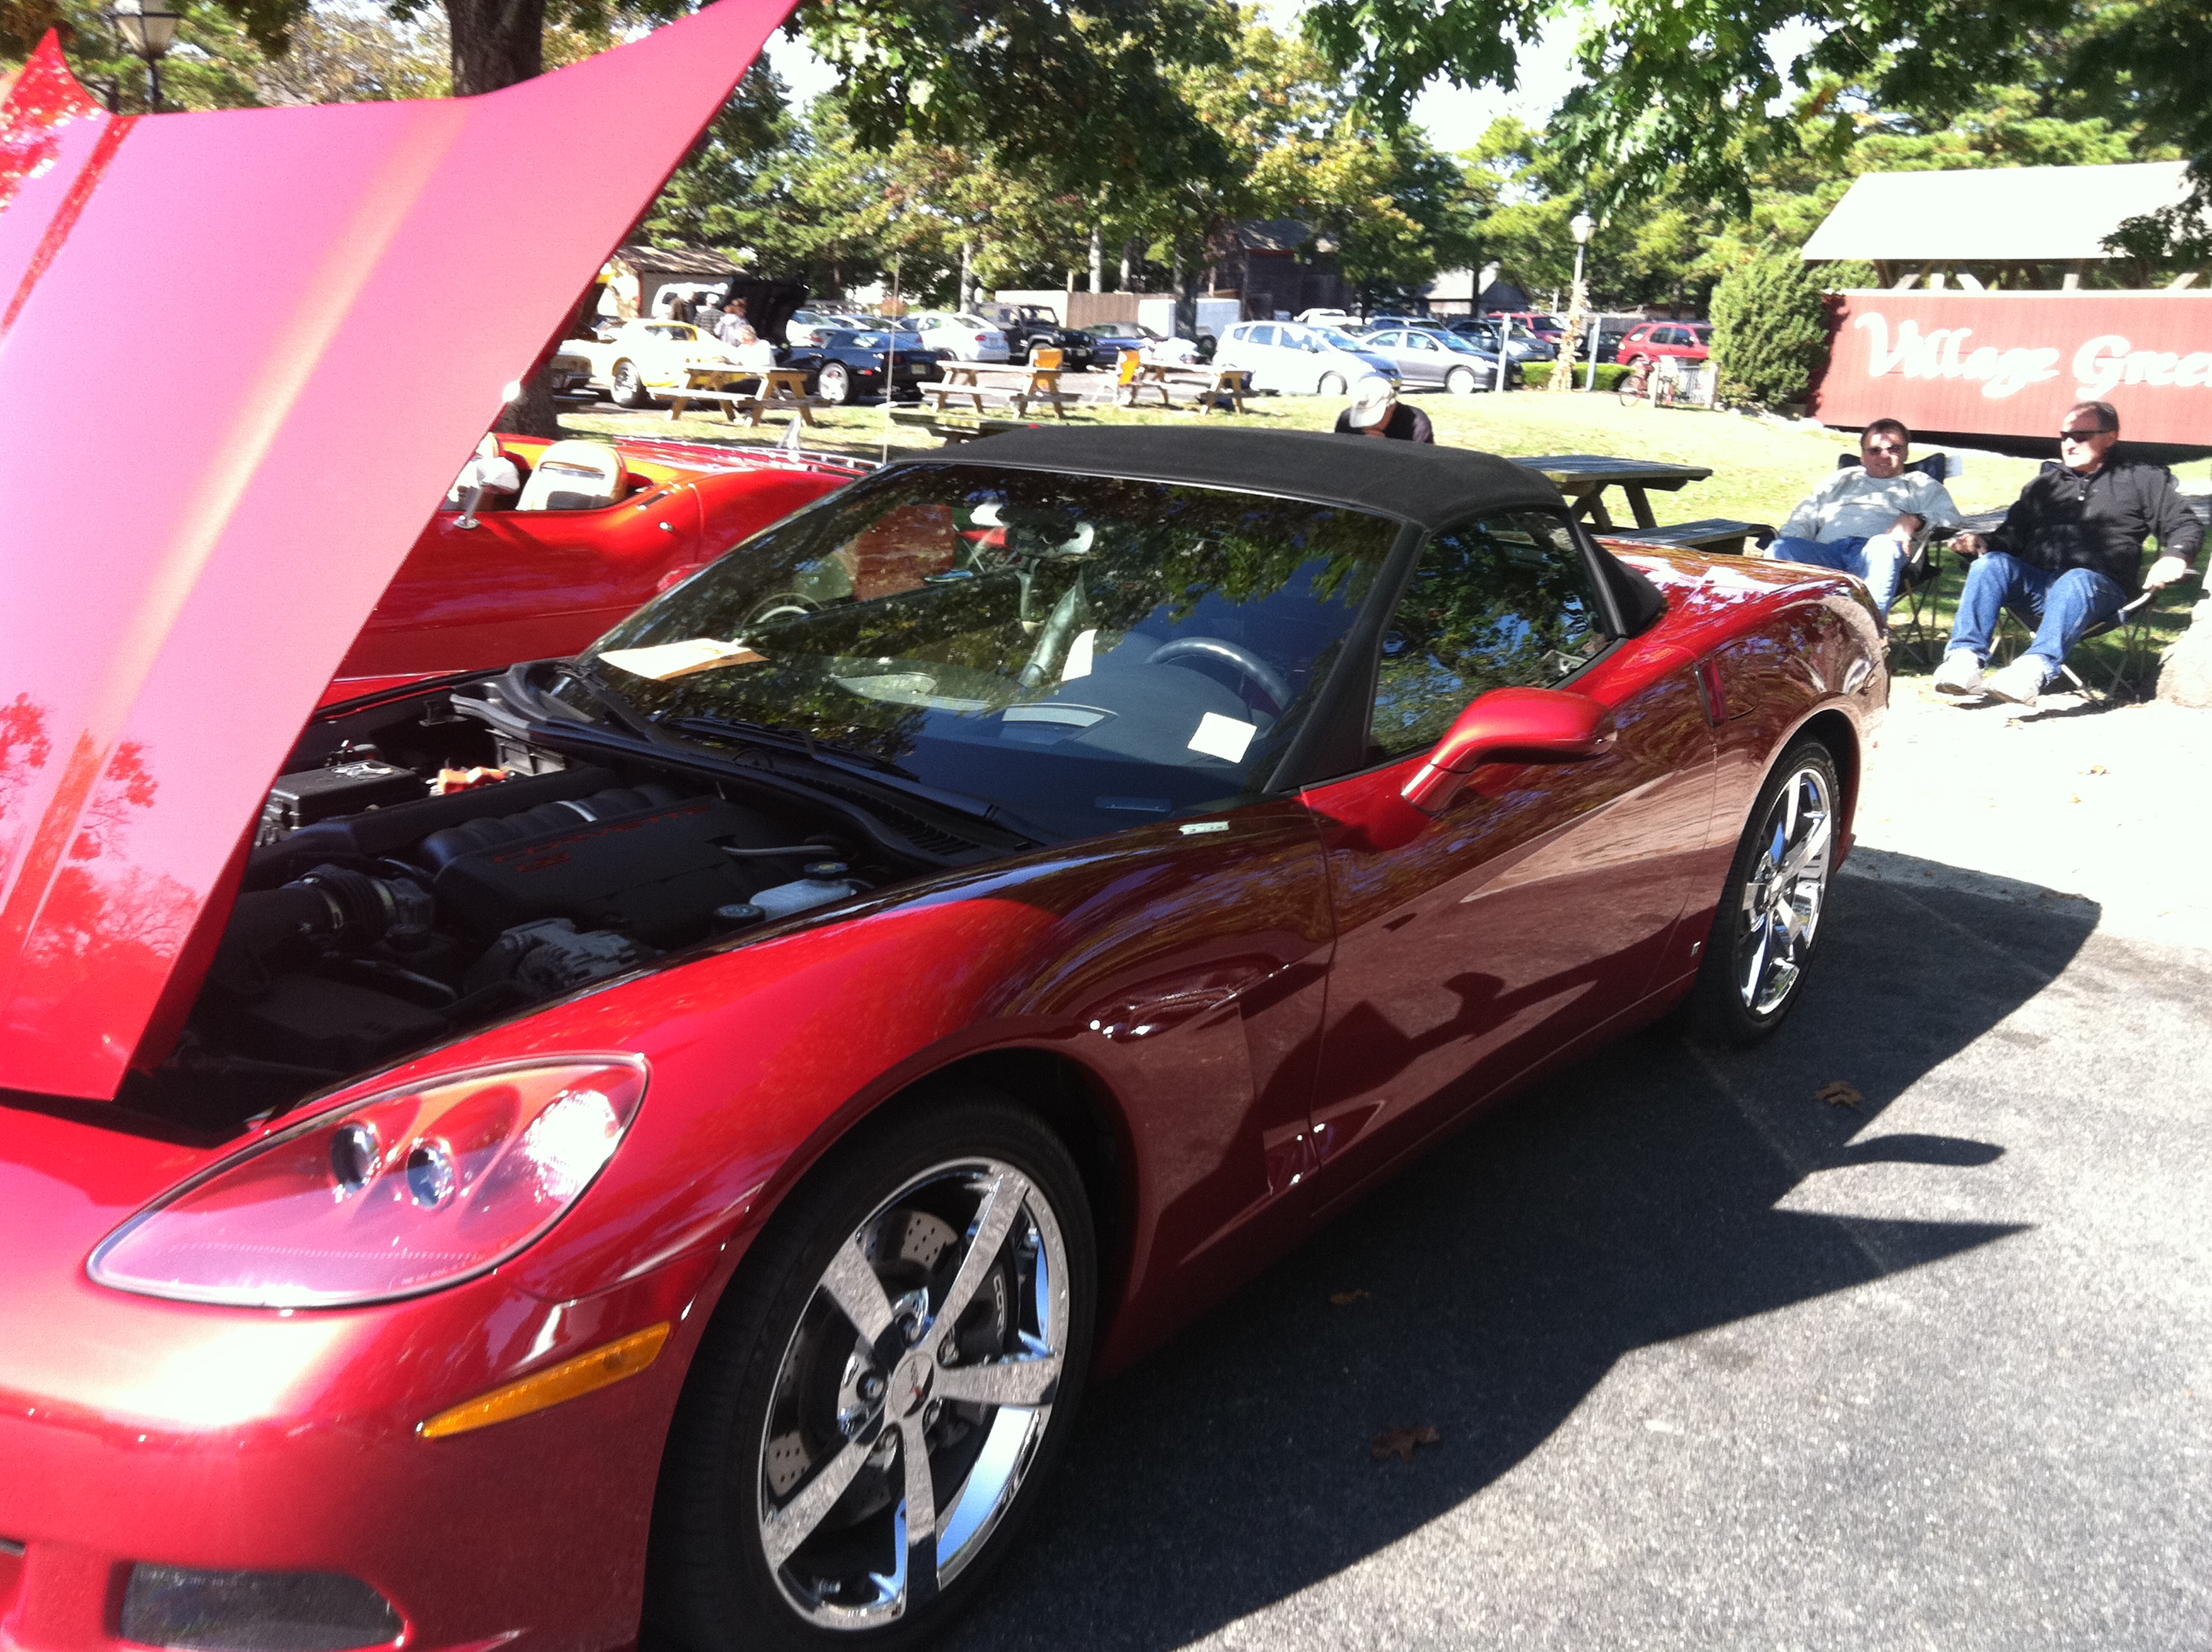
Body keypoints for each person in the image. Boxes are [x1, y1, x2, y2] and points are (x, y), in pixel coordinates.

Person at [1935, 399, 2203, 708]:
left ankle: (2033, 669)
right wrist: (1981, 542)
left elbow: (2185, 525)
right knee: (1990, 565)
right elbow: (2010, 538)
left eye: (2081, 436)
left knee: (2076, 579)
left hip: (2104, 593)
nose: (2070, 444)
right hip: (2040, 589)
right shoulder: (2043, 486)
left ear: (2111, 437)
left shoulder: (2141, 479)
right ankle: (1964, 661)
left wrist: (2176, 556)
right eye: (2064, 437)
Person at [1769, 417, 1961, 624]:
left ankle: (1868, 638)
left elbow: (1950, 517)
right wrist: (1790, 541)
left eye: (1894, 448)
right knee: (1780, 547)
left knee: (1882, 546)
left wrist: (1915, 520)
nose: (1884, 456)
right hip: (1827, 555)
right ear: (1863, 456)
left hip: (1880, 554)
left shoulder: (1920, 483)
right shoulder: (1842, 479)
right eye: (1875, 450)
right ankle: (1781, 632)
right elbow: (1805, 515)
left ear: (1905, 452)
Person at [1333, 375, 1433, 442]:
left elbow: (1422, 466)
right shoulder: (1346, 419)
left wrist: (1386, 448)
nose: (1367, 425)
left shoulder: (1417, 423)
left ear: (1391, 407)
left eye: (1372, 417)